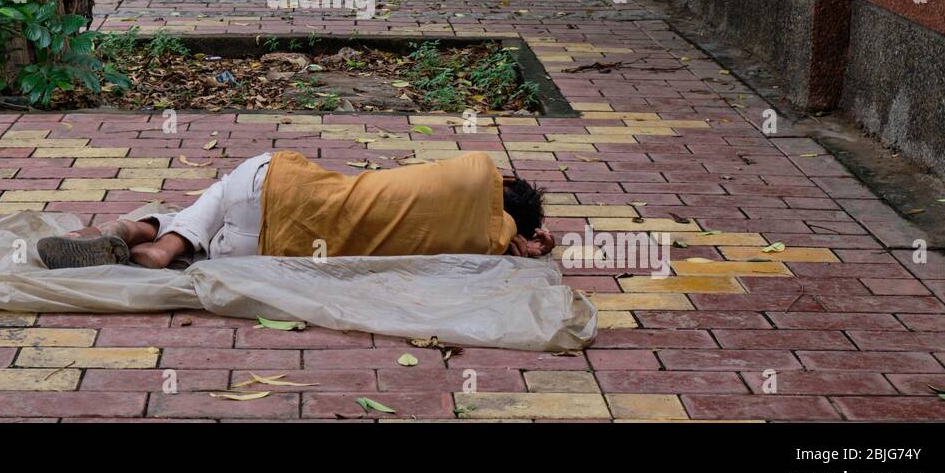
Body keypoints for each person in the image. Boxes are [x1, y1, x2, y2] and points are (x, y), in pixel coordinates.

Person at [37, 150, 556, 271]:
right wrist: (525, 242)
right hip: (255, 252)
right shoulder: (488, 242)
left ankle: (143, 230)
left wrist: (513, 214)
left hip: (264, 186)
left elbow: (489, 191)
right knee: (219, 215)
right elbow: (500, 231)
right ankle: (166, 247)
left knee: (223, 192)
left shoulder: (475, 170)